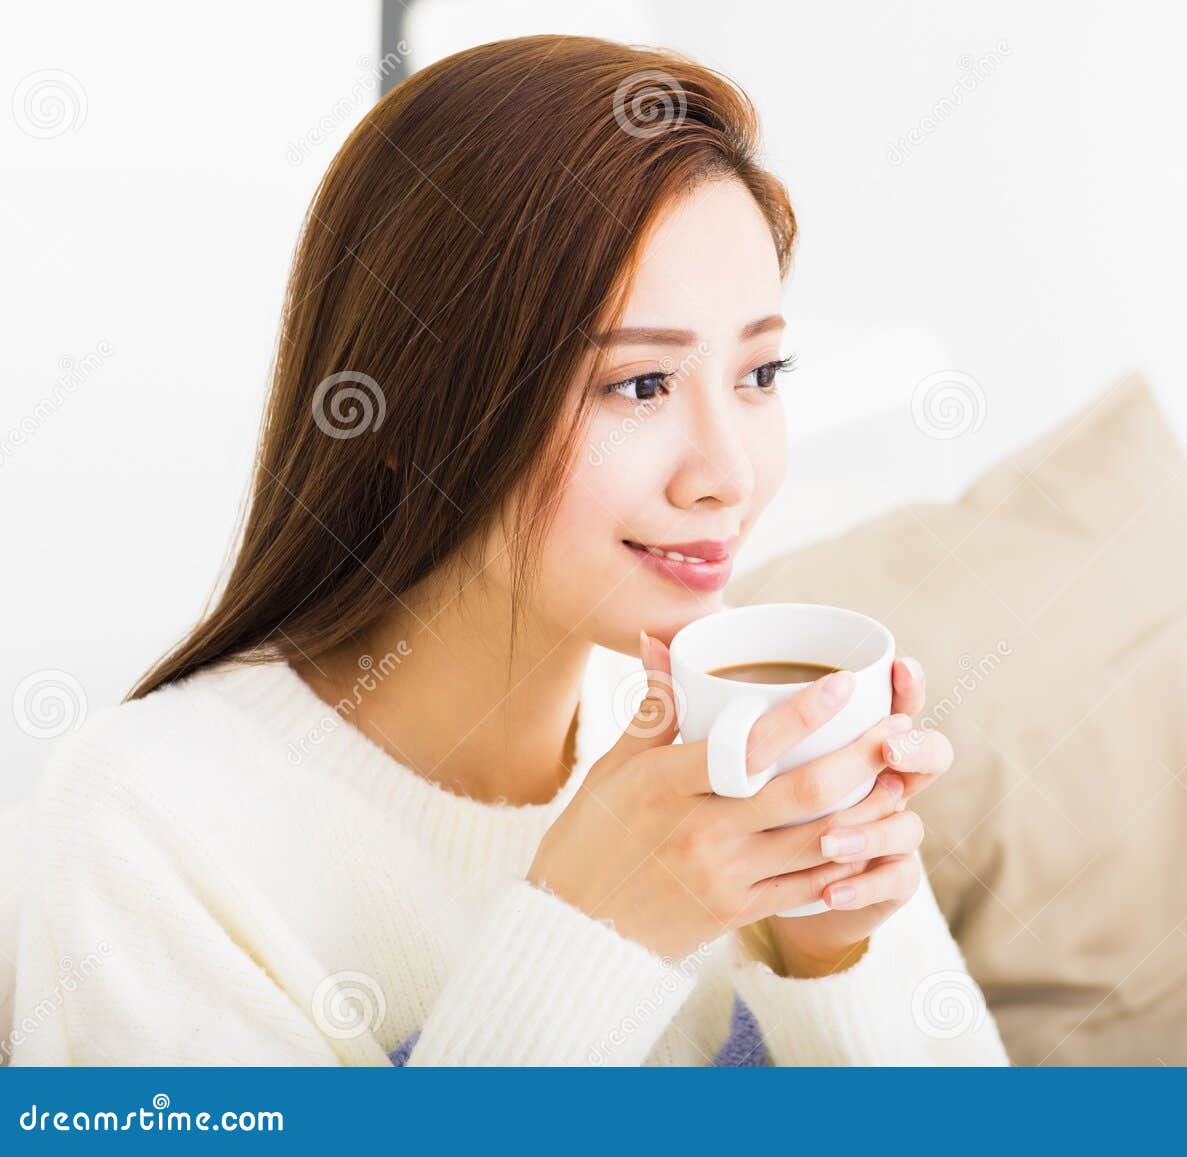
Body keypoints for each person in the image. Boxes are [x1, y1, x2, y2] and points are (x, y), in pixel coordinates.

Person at [7, 34, 1009, 1066]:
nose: (728, 472)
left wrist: (834, 954)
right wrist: (598, 925)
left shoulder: (729, 735)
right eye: (641, 385)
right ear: (406, 409)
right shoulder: (147, 826)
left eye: (760, 372)